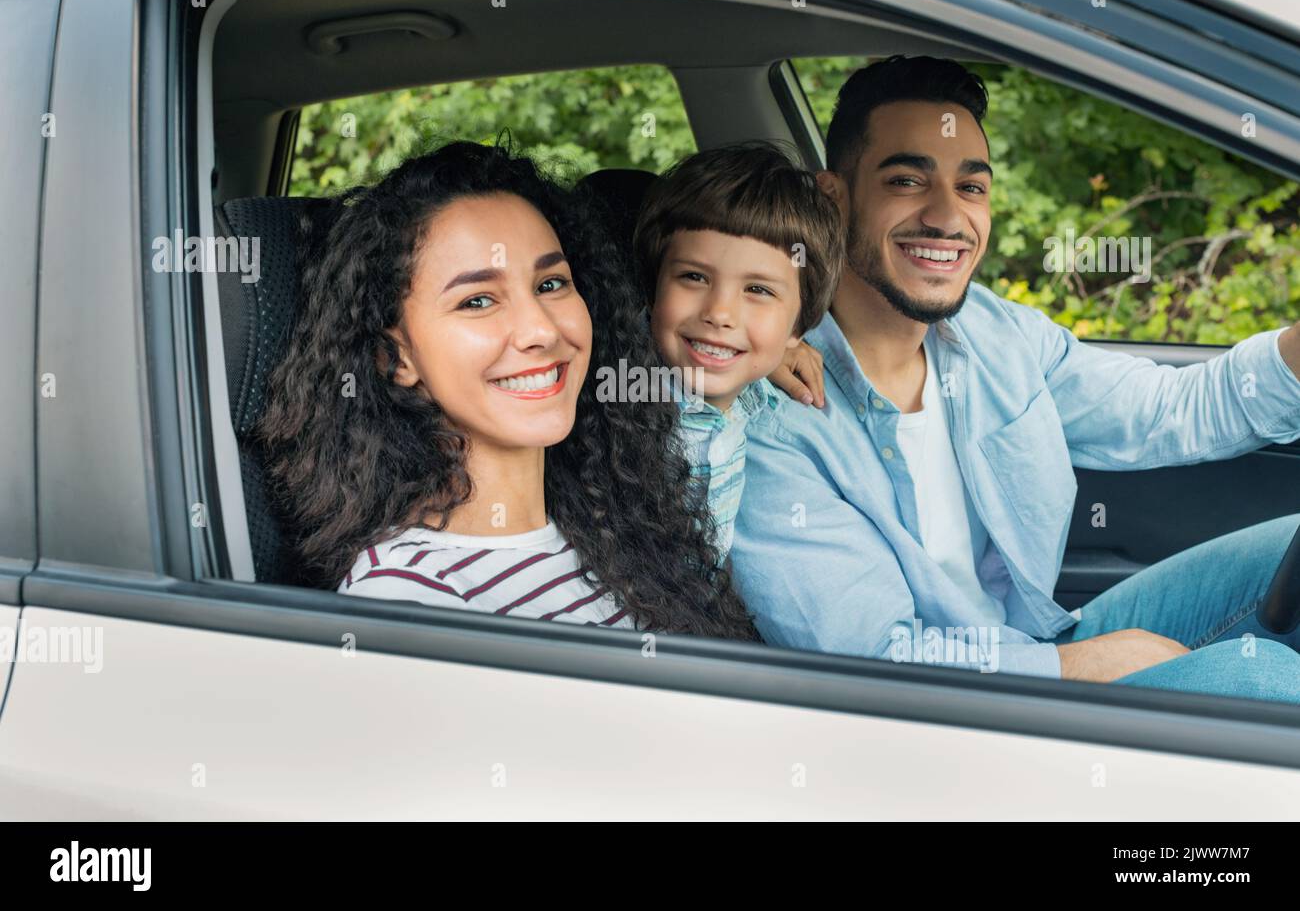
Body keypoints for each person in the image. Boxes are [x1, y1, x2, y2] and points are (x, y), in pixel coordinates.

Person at [729, 55, 1300, 701]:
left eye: (971, 187)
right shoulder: (771, 416)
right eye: (908, 181)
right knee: (1266, 680)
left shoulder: (995, 334)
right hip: (953, 717)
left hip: (1032, 647)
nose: (947, 217)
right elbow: (877, 663)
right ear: (834, 197)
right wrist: (1081, 666)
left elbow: (1170, 409)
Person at [257, 139, 758, 640]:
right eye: (477, 301)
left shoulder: (620, 525)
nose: (540, 330)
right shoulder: (409, 596)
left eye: (550, 285)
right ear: (396, 358)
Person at [631, 141, 843, 558]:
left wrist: (773, 353)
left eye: (758, 290)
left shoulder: (758, 395)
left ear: (799, 325)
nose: (720, 313)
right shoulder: (629, 393)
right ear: (653, 286)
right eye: (693, 277)